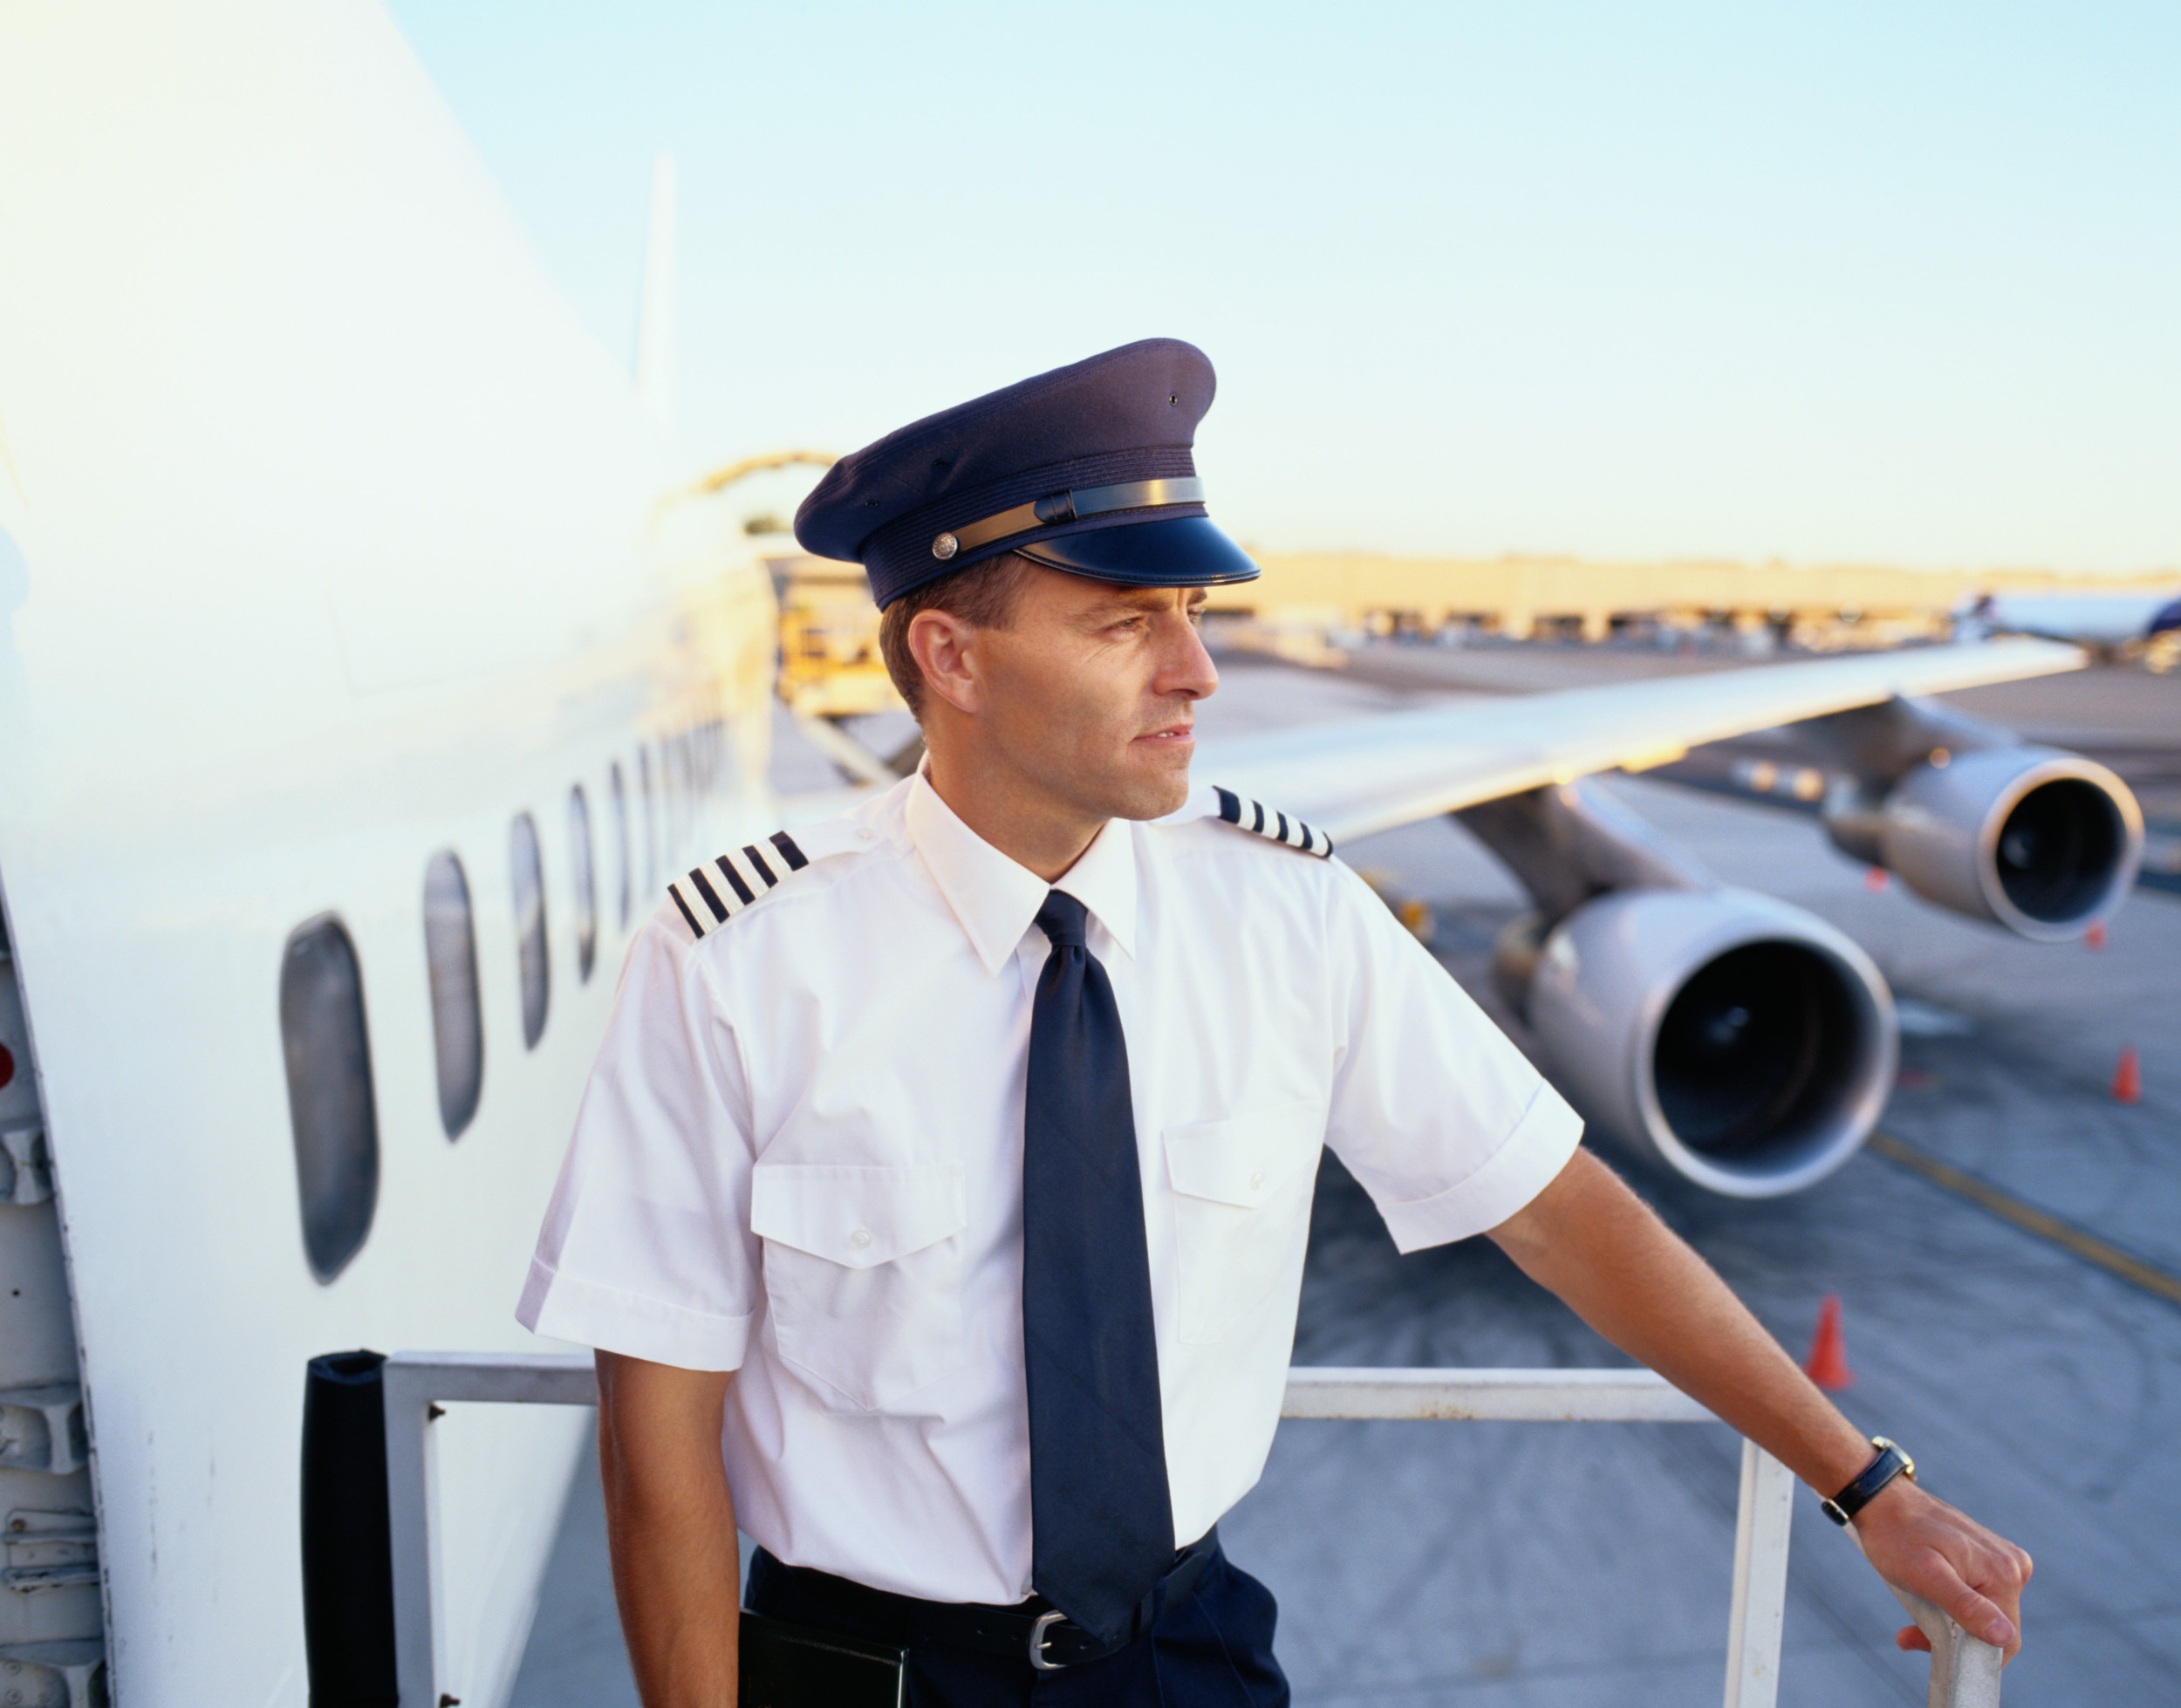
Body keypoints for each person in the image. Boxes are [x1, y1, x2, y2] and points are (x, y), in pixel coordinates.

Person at [517, 338, 2031, 1706]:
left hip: (1188, 1655)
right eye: (1124, 623)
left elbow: (1554, 1205)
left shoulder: (1286, 910)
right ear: (952, 659)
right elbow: (659, 1445)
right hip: (872, 1674)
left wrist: (1866, 1485)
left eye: (1190, 613)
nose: (1196, 671)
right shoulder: (734, 963)